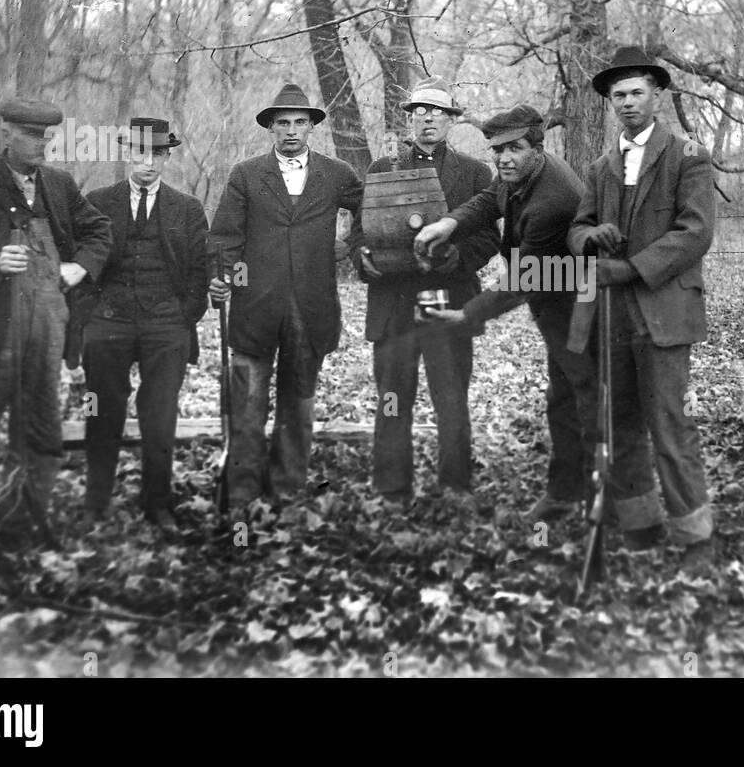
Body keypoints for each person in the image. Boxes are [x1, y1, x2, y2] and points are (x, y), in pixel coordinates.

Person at [0, 97, 112, 547]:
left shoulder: (59, 184)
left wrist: (80, 266)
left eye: (47, 137)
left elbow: (100, 230)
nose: (42, 145)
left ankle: (18, 533)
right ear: (4, 134)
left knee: (40, 443)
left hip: (45, 340)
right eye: (31, 136)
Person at [566, 46, 716, 572]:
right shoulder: (602, 166)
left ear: (657, 95)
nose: (627, 103)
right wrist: (590, 237)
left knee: (670, 425)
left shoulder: (688, 155)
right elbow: (577, 227)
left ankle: (696, 539)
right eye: (618, 96)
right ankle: (641, 527)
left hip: (664, 312)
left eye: (636, 93)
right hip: (612, 317)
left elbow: (695, 233)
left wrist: (629, 269)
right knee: (621, 423)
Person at [414, 104, 598, 525]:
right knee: (564, 400)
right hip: (556, 301)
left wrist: (467, 315)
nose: (504, 158)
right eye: (497, 149)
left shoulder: (554, 198)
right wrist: (448, 224)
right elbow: (487, 201)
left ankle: (597, 501)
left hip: (578, 310)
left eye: (514, 148)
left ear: (537, 147)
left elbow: (523, 279)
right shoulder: (522, 174)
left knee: (585, 402)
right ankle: (568, 494)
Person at [208, 84, 364, 512]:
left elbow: (370, 215)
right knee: (247, 406)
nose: (291, 131)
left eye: (300, 122)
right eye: (283, 123)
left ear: (312, 126)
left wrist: (354, 248)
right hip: (254, 308)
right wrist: (224, 278)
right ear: (271, 128)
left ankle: (288, 492)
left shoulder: (338, 174)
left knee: (298, 407)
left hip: (311, 310)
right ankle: (240, 495)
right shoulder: (247, 174)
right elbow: (225, 238)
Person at [352, 77, 498, 509]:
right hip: (393, 304)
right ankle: (391, 490)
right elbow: (360, 232)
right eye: (419, 111)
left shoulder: (475, 173)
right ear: (409, 118)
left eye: (437, 112)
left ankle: (455, 487)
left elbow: (489, 237)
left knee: (450, 398)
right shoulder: (383, 169)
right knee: (393, 398)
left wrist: (456, 257)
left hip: (448, 302)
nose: (428, 118)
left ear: (452, 120)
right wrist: (364, 259)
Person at [72, 118, 209, 532]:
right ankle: (96, 503)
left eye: (157, 154)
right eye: (139, 152)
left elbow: (200, 272)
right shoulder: (97, 201)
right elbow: (81, 261)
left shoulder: (187, 209)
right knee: (102, 411)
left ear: (167, 157)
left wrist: (184, 317)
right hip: (108, 321)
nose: (148, 162)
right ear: (126, 153)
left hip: (166, 323)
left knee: (160, 415)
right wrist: (91, 314)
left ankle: (157, 504)